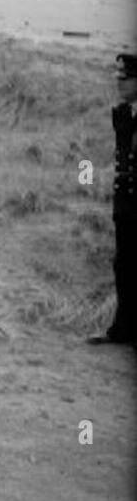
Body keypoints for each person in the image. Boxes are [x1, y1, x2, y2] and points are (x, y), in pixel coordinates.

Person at [86, 52, 137, 349]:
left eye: (126, 79)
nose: (120, 84)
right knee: (124, 267)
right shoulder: (123, 114)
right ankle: (122, 331)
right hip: (127, 208)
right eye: (119, 78)